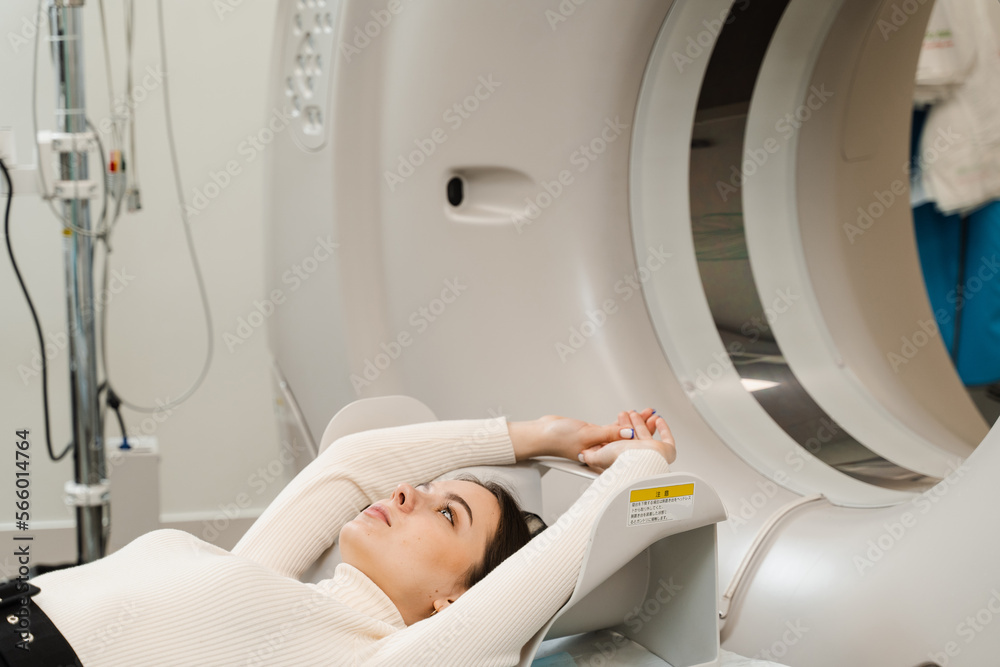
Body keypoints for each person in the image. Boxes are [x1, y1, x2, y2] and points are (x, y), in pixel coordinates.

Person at [12, 408, 675, 666]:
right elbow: (351, 463)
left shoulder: (377, 659)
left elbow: (546, 570)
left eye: (448, 515)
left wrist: (644, 465)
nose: (407, 492)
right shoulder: (269, 590)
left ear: (457, 598)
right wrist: (534, 434)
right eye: (428, 490)